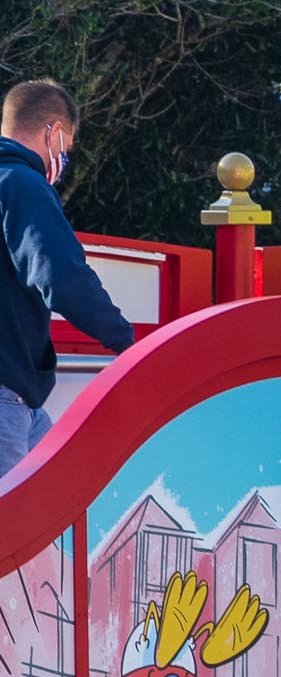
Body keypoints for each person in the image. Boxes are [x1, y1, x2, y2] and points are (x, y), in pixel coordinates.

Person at [0, 79, 134, 478]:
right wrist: (125, 340)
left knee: (57, 491)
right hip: (7, 393)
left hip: (21, 401)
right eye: (66, 148)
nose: (62, 159)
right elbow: (62, 276)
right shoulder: (23, 185)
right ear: (53, 131)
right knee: (26, 514)